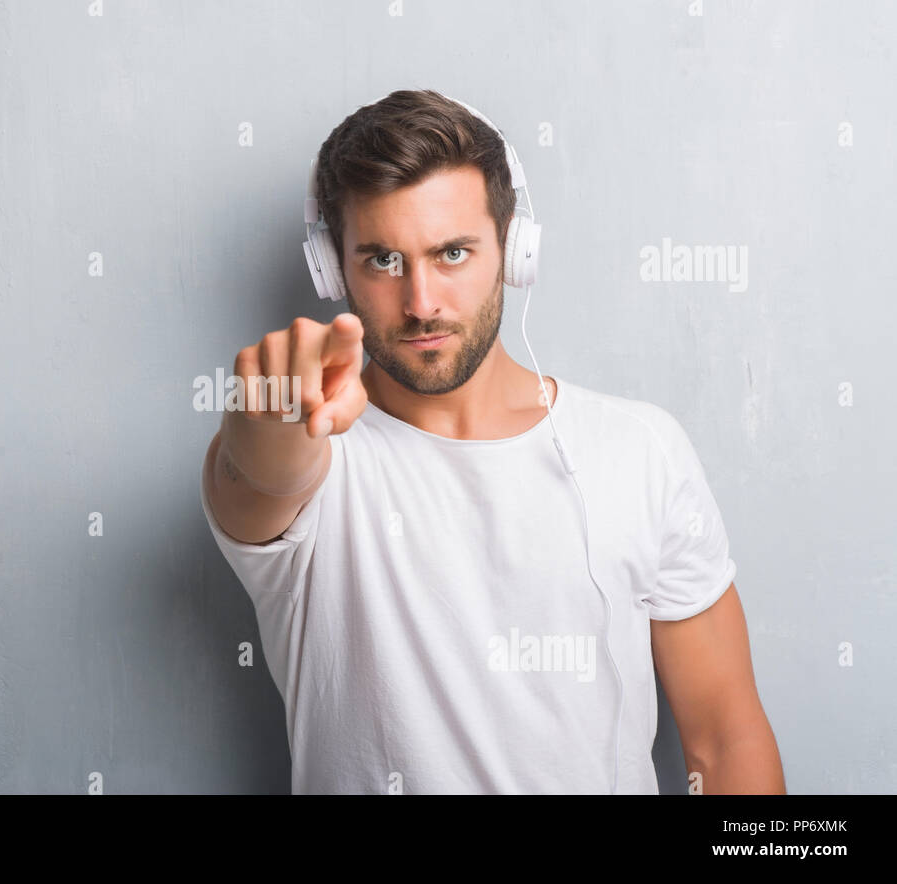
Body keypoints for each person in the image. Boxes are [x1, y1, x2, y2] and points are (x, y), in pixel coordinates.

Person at [199, 89, 784, 794]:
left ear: (512, 247)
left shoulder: (641, 449)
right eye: (382, 261)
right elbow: (258, 474)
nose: (421, 302)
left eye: (451, 253)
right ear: (333, 269)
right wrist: (271, 414)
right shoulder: (317, 459)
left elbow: (725, 740)